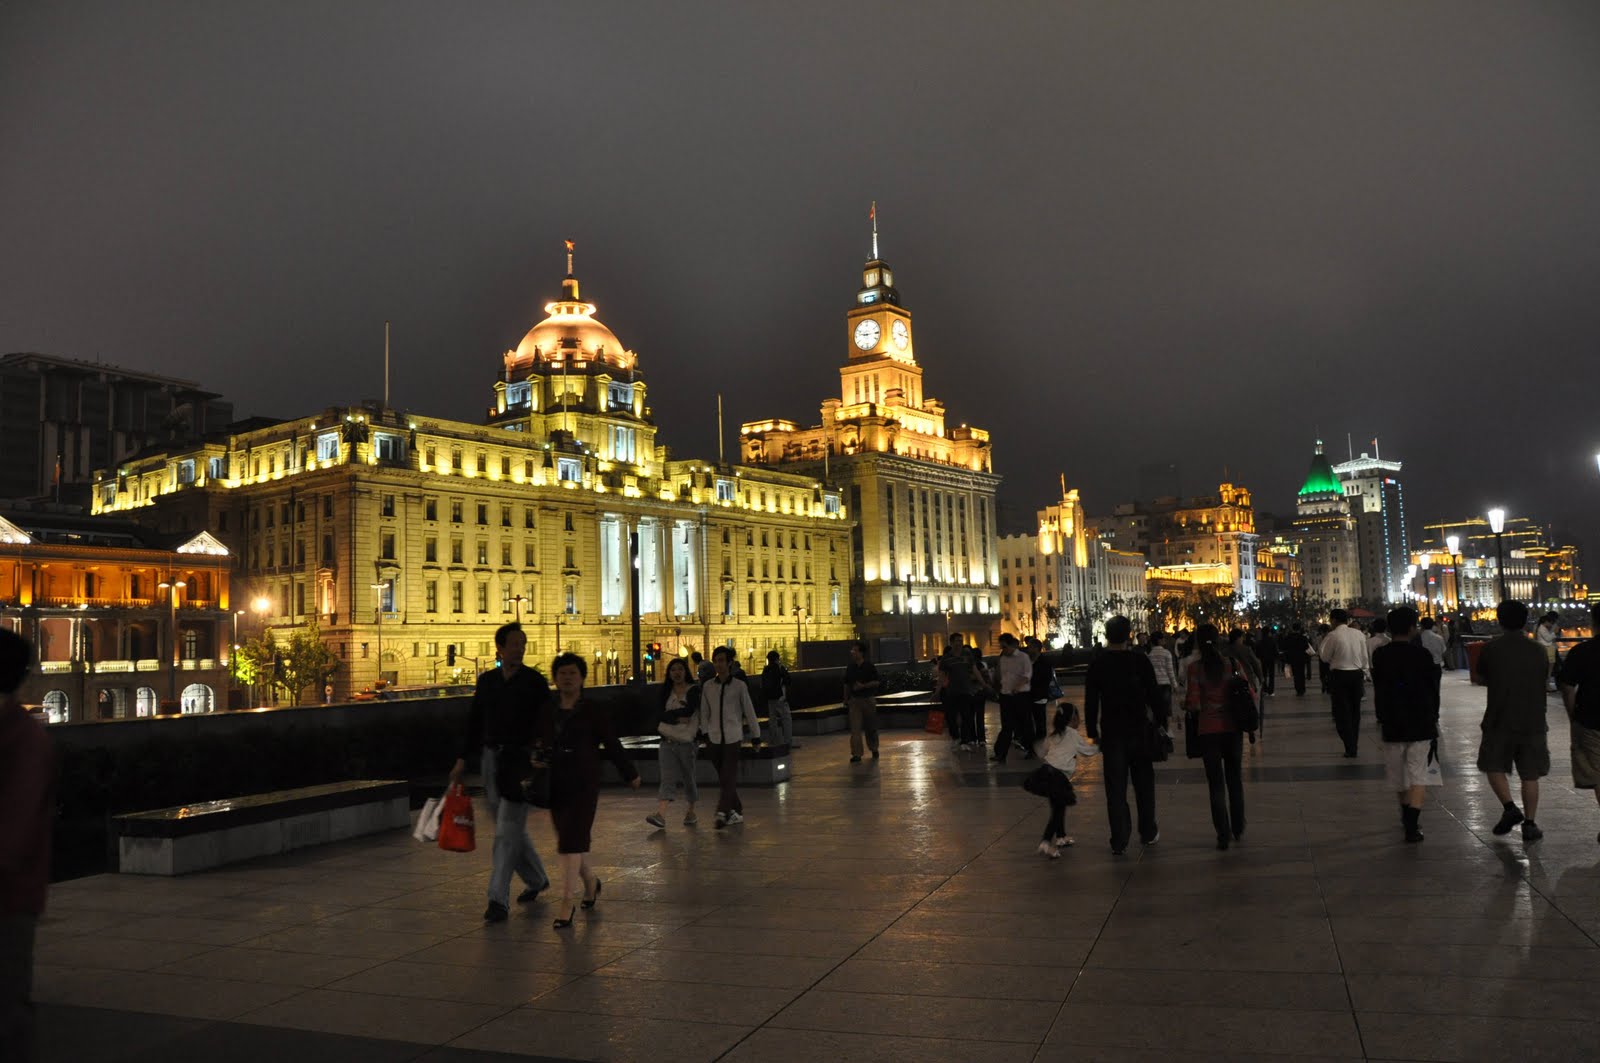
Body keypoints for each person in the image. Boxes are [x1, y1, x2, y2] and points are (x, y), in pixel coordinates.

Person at [449, 623, 553, 923]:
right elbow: (474, 722)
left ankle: (497, 899)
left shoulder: (535, 682)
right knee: (510, 828)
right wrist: (462, 760)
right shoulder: (488, 682)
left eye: (523, 643)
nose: (519, 648)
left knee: (506, 830)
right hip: (490, 760)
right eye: (514, 643)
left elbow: (546, 723)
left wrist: (540, 755)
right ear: (500, 648)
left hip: (519, 763)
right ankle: (535, 878)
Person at [541, 652, 640, 928]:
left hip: (584, 783)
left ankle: (566, 903)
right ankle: (591, 882)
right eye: (562, 673)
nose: (568, 678)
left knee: (571, 840)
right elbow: (538, 742)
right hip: (556, 781)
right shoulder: (548, 710)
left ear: (582, 678)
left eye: (573, 673)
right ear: (555, 679)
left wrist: (629, 773)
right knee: (567, 841)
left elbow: (611, 743)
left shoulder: (593, 710)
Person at [0, 630, 51, 1063]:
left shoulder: (23, 739)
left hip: (10, 897)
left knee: (8, 1004)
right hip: (16, 891)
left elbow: (15, 830)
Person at [1085, 615, 1165, 856]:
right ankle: (1148, 831)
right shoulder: (1139, 661)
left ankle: (1119, 838)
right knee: (1144, 785)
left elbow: (1091, 701)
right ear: (1129, 634)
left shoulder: (1098, 663)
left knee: (1115, 788)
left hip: (1112, 732)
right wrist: (1160, 721)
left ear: (1107, 636)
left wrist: (1092, 730)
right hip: (1139, 729)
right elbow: (1154, 694)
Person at [1476, 601, 1552, 843]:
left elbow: (1481, 677)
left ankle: (1510, 808)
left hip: (1500, 718)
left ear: (1500, 620)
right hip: (1533, 720)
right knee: (1530, 775)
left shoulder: (1491, 649)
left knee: (1492, 765)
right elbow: (1545, 678)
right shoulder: (1538, 650)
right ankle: (1530, 824)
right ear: (1526, 620)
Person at [1372, 608, 1440, 843]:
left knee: (1398, 774)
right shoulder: (1422, 655)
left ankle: (1405, 813)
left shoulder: (1381, 655)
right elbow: (1432, 690)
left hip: (1392, 721)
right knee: (1418, 772)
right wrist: (1434, 717)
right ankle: (1412, 823)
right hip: (1420, 720)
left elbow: (1380, 686)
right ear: (1413, 628)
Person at [1183, 624, 1249, 850]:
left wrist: (1186, 705)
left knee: (1216, 785)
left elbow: (1193, 703)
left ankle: (1223, 833)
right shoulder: (1232, 664)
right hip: (1232, 729)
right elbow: (1247, 691)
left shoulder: (1195, 669)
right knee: (1235, 780)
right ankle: (1238, 826)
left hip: (1208, 731)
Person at [702, 645, 762, 821]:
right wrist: (705, 733)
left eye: (721, 660)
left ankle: (722, 812)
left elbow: (749, 711)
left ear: (730, 663)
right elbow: (705, 712)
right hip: (714, 738)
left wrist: (755, 736)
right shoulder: (708, 686)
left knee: (728, 774)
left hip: (732, 737)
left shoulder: (739, 686)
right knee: (723, 777)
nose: (718, 664)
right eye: (715, 661)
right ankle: (737, 810)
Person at [1556, 603, 1600, 845]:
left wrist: (1573, 714)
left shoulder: (1582, 652)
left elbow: (1567, 686)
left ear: (1594, 623)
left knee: (1598, 772)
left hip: (1591, 719)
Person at [1035, 703, 1099, 857]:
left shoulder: (1054, 734)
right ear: (1074, 718)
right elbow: (1088, 751)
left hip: (1046, 773)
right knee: (1057, 812)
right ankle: (1045, 842)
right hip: (1058, 777)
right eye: (1079, 718)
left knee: (1058, 807)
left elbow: (1041, 751)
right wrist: (1100, 745)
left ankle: (1061, 837)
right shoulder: (1072, 734)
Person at [647, 657, 700, 829]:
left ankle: (691, 810)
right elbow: (658, 714)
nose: (677, 673)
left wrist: (670, 716)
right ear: (669, 674)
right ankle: (661, 814)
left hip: (687, 742)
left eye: (680, 669)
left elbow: (690, 710)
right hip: (667, 741)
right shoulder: (665, 692)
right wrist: (677, 717)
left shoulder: (693, 691)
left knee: (688, 777)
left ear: (686, 671)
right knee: (667, 778)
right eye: (673, 670)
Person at [1321, 610, 1370, 758]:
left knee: (1341, 712)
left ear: (1334, 620)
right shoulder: (1359, 634)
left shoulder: (1333, 635)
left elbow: (1324, 656)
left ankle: (1349, 745)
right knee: (1355, 710)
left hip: (1339, 675)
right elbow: (1364, 656)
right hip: (1356, 674)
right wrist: (1365, 672)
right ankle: (1353, 742)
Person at [990, 633, 1036, 764]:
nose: (1003, 650)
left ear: (1011, 645)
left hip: (1021, 695)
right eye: (1001, 647)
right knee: (1006, 726)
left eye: (1004, 647)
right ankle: (1000, 753)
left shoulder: (1023, 657)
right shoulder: (1003, 659)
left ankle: (1030, 749)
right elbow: (1002, 677)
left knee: (1025, 723)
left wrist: (1017, 687)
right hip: (1006, 696)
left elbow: (1027, 675)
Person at [842, 641, 881, 764]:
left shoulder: (869, 666)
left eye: (855, 650)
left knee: (871, 727)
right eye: (852, 650)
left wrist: (864, 686)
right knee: (855, 729)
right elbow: (846, 684)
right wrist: (845, 698)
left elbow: (877, 682)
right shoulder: (850, 667)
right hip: (854, 701)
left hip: (868, 699)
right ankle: (857, 754)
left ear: (861, 652)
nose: (852, 652)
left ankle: (874, 748)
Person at [759, 651, 793, 749]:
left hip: (770, 698)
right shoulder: (779, 668)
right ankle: (787, 741)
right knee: (786, 719)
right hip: (780, 698)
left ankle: (775, 740)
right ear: (777, 659)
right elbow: (788, 680)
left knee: (772, 720)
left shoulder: (766, 669)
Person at [1147, 631, 1179, 729]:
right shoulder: (1167, 653)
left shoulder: (1150, 655)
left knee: (1156, 709)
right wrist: (1175, 685)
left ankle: (1157, 729)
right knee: (1167, 709)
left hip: (1154, 685)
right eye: (1163, 639)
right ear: (1160, 640)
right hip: (1165, 684)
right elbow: (1170, 671)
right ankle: (1167, 730)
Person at [1025, 636, 1053, 741]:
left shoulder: (1044, 662)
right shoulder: (1027, 661)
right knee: (1028, 722)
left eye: (1030, 647)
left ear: (1036, 648)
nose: (1028, 649)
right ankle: (1031, 745)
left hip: (1040, 696)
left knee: (1040, 721)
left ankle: (1040, 743)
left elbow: (1046, 678)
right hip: (1028, 695)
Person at [1418, 617, 1447, 699]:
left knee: (1423, 691)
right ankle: (1435, 710)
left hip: (1421, 667)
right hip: (1436, 666)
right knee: (1435, 691)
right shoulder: (1439, 638)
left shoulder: (1418, 638)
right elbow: (1443, 651)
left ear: (1421, 626)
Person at [1281, 622, 1312, 696]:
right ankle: (1302, 688)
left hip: (1292, 658)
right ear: (1299, 628)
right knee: (1301, 673)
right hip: (1301, 658)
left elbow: (1284, 647)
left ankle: (1298, 689)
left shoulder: (1288, 638)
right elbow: (1306, 648)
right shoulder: (1303, 638)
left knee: (1295, 674)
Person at [1536, 612, 1561, 692]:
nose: (1551, 624)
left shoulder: (1540, 627)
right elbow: (1548, 639)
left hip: (1547, 649)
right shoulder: (1542, 628)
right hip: (1548, 649)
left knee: (1549, 669)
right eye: (1550, 622)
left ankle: (1547, 685)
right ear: (1546, 621)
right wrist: (1554, 632)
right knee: (1549, 669)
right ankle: (1548, 686)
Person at [1255, 628, 1279, 696]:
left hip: (1263, 660)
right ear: (1269, 633)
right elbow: (1275, 651)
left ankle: (1265, 689)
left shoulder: (1260, 642)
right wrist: (1276, 657)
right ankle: (1271, 691)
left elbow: (1257, 653)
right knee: (1271, 675)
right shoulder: (1272, 641)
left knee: (1264, 675)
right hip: (1271, 660)